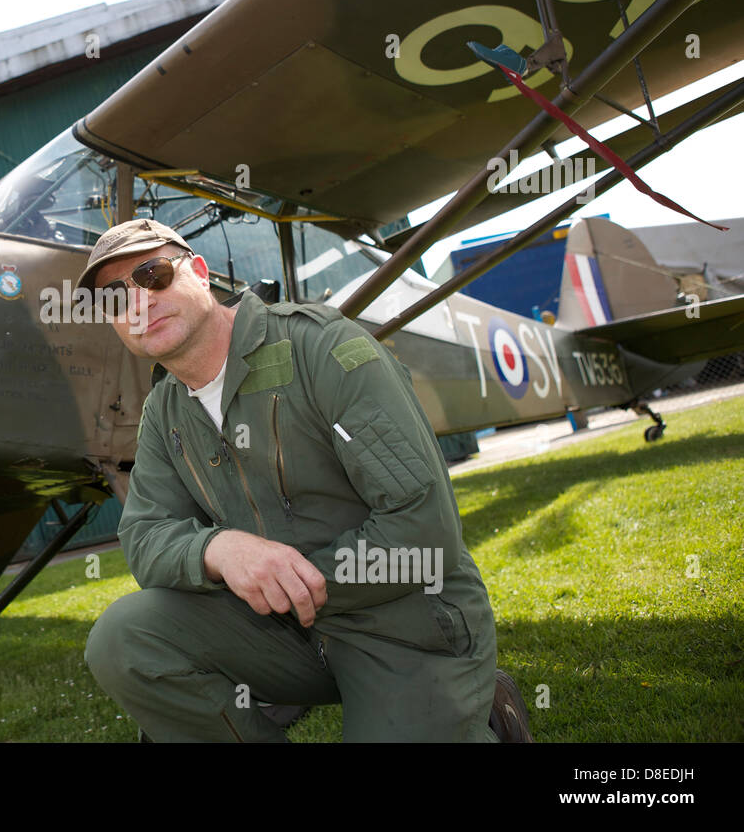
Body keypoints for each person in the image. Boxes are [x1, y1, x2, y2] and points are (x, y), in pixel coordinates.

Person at [80, 218, 532, 742]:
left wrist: (292, 580)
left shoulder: (322, 348)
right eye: (114, 300)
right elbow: (144, 536)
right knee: (124, 638)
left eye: (152, 274)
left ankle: (485, 718)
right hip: (283, 632)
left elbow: (425, 531)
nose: (138, 303)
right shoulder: (165, 408)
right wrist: (222, 550)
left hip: (403, 621)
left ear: (199, 273)